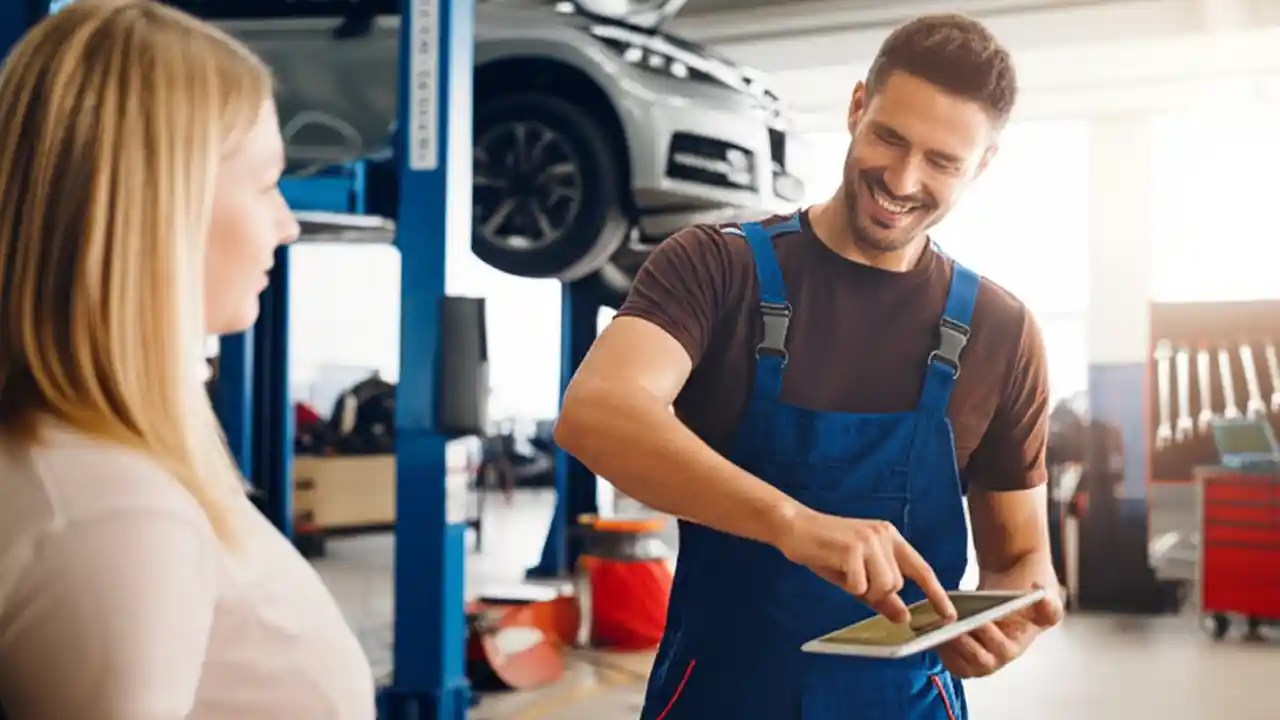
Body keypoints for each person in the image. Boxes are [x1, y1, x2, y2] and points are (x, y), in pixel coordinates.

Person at [555, 12, 1064, 719]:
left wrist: (1015, 611)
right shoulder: (715, 268)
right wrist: (792, 522)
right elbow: (596, 413)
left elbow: (1024, 559)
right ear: (858, 106)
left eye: (942, 161)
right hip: (718, 699)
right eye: (889, 137)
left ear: (982, 164)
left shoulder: (1000, 332)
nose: (903, 178)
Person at [0, 2, 375, 718]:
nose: (287, 224)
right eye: (266, 183)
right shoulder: (116, 514)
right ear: (163, 206)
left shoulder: (104, 467)